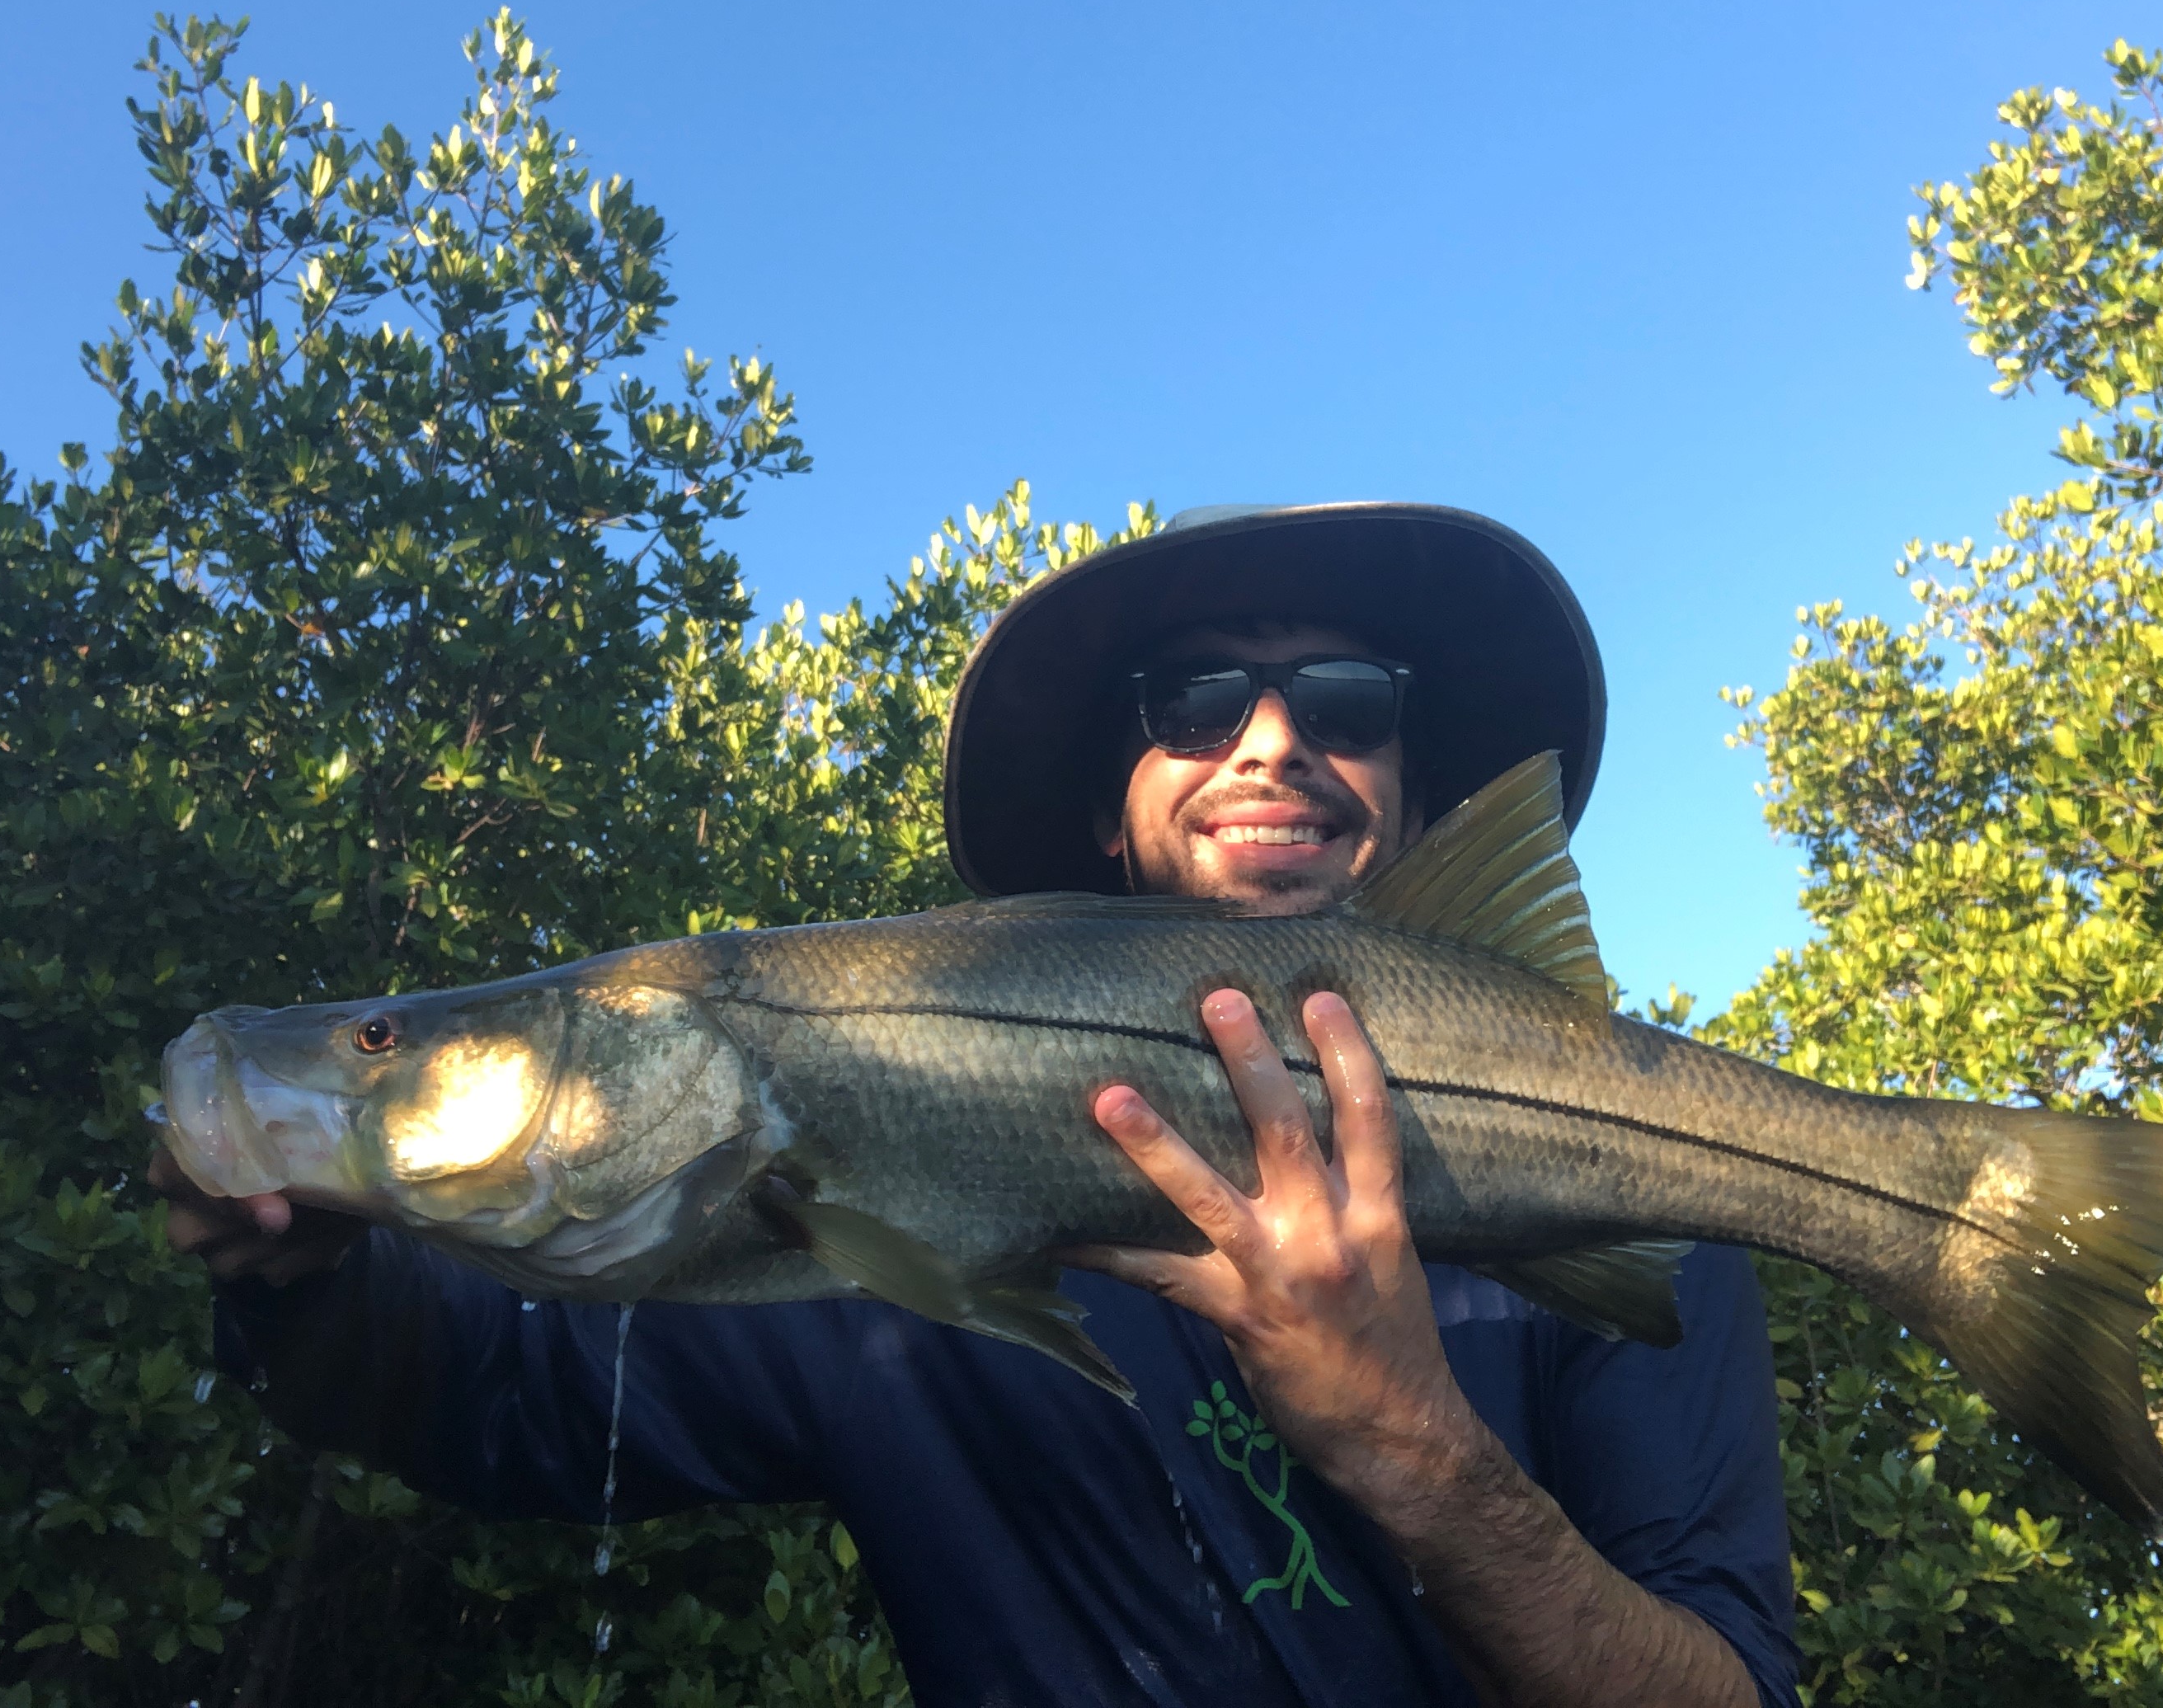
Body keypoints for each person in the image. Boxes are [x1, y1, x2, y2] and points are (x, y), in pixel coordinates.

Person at [161, 502, 1799, 1707]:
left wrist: (1418, 1449)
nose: (1275, 741)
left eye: (1351, 702)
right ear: (1107, 805)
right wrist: (312, 1283)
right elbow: (501, 1404)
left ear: (1421, 798)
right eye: (1193, 699)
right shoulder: (848, 1196)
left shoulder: (1625, 1191)